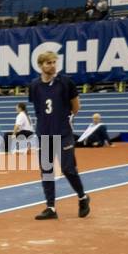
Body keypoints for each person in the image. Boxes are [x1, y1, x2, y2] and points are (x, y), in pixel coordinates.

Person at [28, 50, 90, 219]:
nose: (52, 65)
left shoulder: (66, 82)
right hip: (44, 134)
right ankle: (51, 208)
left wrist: (65, 118)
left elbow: (76, 107)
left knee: (68, 169)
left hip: (63, 133)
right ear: (40, 65)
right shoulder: (34, 85)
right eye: (48, 63)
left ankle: (83, 197)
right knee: (47, 171)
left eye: (54, 62)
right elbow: (38, 108)